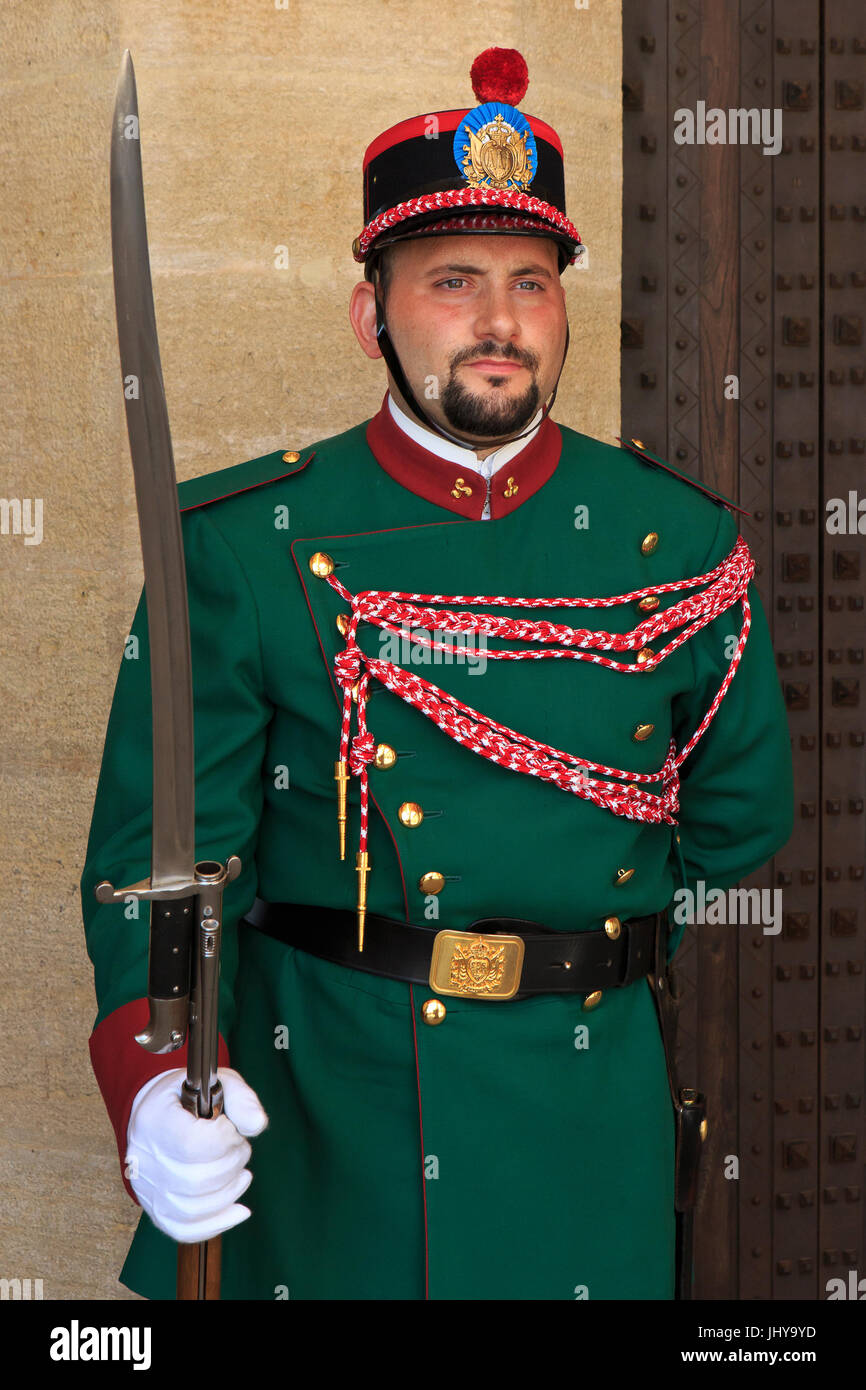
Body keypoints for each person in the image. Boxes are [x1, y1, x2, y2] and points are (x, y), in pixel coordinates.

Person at [81, 47, 794, 1300]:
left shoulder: (675, 540)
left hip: (589, 1105)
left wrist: (571, 928)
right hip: (335, 1114)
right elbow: (158, 873)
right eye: (452, 281)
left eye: (530, 282)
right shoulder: (242, 547)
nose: (499, 321)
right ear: (374, 315)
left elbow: (736, 823)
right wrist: (152, 1081)